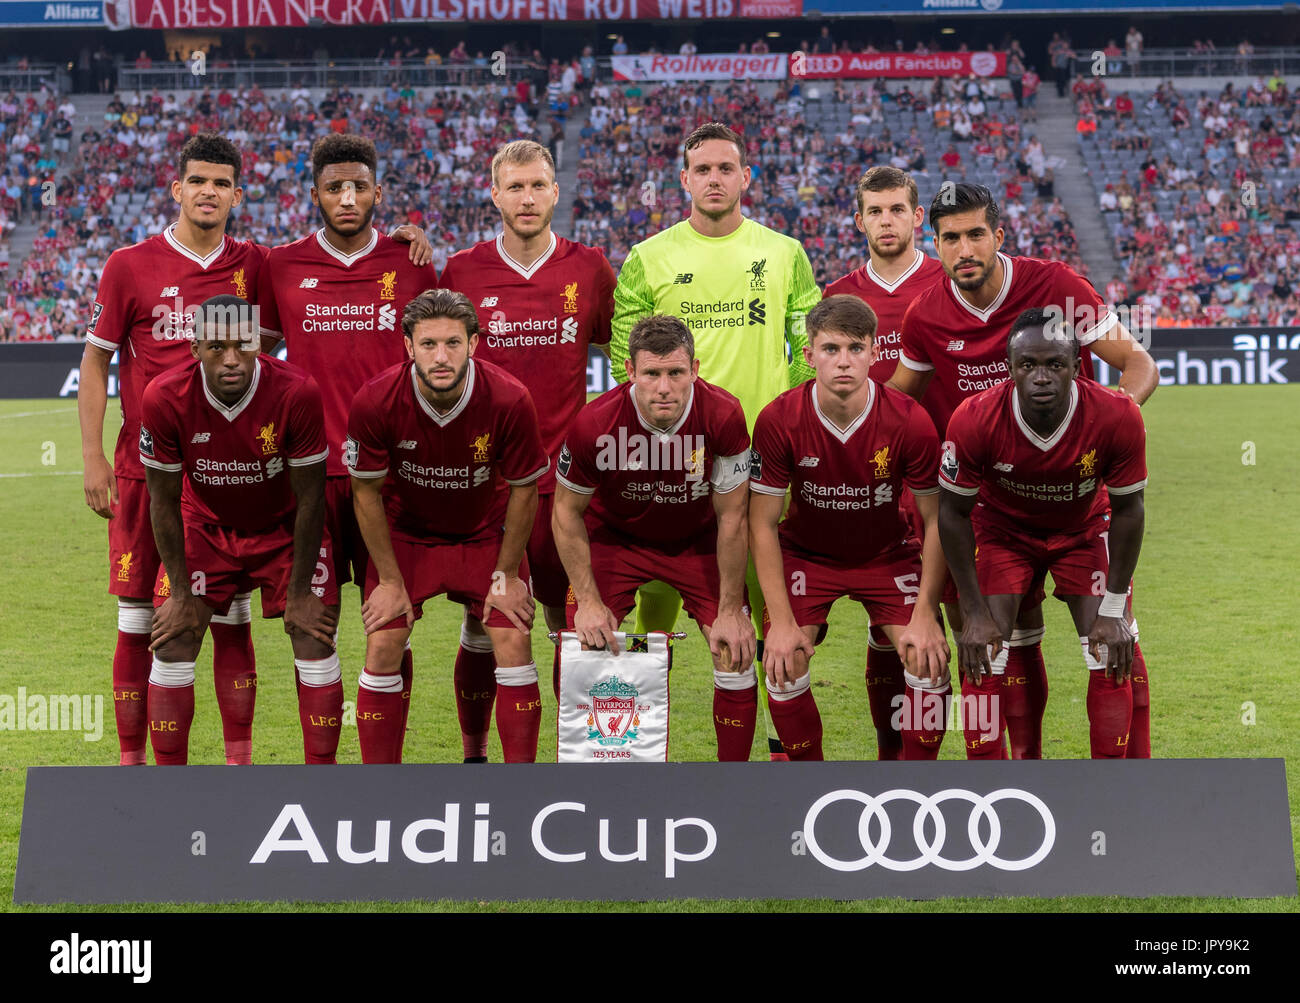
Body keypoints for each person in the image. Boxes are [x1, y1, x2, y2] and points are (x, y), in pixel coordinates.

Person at [888, 183, 1157, 760]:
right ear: (933, 244)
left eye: (975, 234)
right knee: (997, 643)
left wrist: (1113, 421)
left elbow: (1138, 362)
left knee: (1117, 644)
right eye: (950, 238)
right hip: (990, 513)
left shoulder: (1057, 286)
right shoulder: (926, 314)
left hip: (1077, 501)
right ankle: (1017, 779)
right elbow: (897, 405)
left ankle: (1135, 792)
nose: (964, 249)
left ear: (999, 236)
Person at [609, 121, 821, 759]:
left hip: (759, 463)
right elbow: (627, 357)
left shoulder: (783, 253)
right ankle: (641, 749)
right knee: (656, 610)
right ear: (684, 180)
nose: (714, 179)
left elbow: (805, 345)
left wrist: (791, 430)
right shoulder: (650, 256)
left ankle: (780, 749)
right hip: (670, 462)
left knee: (764, 610)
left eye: (726, 168)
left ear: (745, 177)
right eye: (702, 170)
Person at [79, 134, 270, 766]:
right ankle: (136, 766)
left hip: (230, 473)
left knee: (229, 617)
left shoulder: (256, 265)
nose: (209, 192)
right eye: (198, 181)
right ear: (176, 189)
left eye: (222, 183)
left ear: (237, 194)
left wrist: (403, 239)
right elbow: (97, 358)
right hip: (145, 469)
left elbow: (330, 274)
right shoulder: (130, 264)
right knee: (140, 619)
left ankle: (237, 764)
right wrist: (91, 456)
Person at [257, 133, 439, 760]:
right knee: (313, 627)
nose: (347, 196)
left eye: (359, 185)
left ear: (378, 192)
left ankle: (380, 773)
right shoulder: (279, 266)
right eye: (335, 187)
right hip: (312, 477)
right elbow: (247, 355)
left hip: (392, 478)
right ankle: (323, 776)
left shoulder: (410, 262)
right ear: (315, 195)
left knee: (392, 623)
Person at [438, 140, 615, 758]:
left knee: (575, 624)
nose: (527, 198)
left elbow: (618, 358)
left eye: (538, 185)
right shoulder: (461, 272)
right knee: (486, 623)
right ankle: (474, 755)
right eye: (514, 187)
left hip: (568, 487)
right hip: (487, 487)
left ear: (555, 191)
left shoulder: (589, 268)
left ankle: (587, 758)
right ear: (495, 194)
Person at [346, 289, 549, 764]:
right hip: (406, 535)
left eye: (453, 343)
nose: (442, 356)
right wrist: (391, 581)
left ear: (474, 344)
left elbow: (524, 489)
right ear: (408, 346)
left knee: (512, 636)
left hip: (484, 534)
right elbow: (365, 492)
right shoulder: (375, 399)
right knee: (383, 640)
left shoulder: (509, 397)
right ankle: (380, 788)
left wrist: (507, 577)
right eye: (429, 343)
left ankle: (495, 771)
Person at [939, 309, 1146, 758]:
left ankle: (1111, 790)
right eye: (1028, 365)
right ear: (1009, 367)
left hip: (1084, 530)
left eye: (1054, 364)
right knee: (985, 650)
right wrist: (972, 611)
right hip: (1002, 533)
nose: (1041, 377)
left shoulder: (1117, 415)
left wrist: (1113, 609)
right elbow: (952, 514)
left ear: (1077, 365)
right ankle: (991, 794)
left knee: (1111, 649)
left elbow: (1130, 510)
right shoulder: (973, 418)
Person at [749, 296, 950, 761]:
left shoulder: (909, 420)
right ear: (809, 355)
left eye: (856, 349)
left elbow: (936, 519)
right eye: (830, 349)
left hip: (887, 555)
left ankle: (915, 782)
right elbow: (761, 524)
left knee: (928, 657)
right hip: (807, 555)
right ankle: (811, 785)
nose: (844, 361)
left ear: (875, 352)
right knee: (783, 660)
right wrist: (779, 622)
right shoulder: (779, 419)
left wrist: (926, 611)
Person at [140, 295, 338, 765]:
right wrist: (181, 594)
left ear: (259, 343)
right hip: (206, 527)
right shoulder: (164, 397)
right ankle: (168, 791)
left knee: (315, 634)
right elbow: (163, 502)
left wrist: (300, 592)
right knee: (172, 639)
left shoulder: (297, 392)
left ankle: (325, 784)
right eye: (217, 347)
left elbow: (311, 499)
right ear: (194, 348)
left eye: (242, 345)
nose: (231, 359)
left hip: (284, 529)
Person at [553, 315, 757, 761]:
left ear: (695, 370)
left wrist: (728, 610)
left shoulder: (724, 414)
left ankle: (736, 783)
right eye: (652, 374)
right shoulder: (594, 422)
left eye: (675, 373)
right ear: (629, 371)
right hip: (617, 541)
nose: (664, 387)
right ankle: (589, 769)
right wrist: (588, 601)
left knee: (736, 650)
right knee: (578, 642)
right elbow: (566, 512)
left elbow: (733, 517)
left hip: (697, 541)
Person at [823, 166, 946, 758]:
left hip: (950, 480)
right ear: (860, 220)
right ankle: (889, 752)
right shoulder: (840, 297)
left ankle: (978, 757)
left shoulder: (948, 281)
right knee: (886, 623)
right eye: (875, 211)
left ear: (918, 217)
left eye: (897, 209)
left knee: (962, 626)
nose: (886, 221)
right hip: (874, 484)